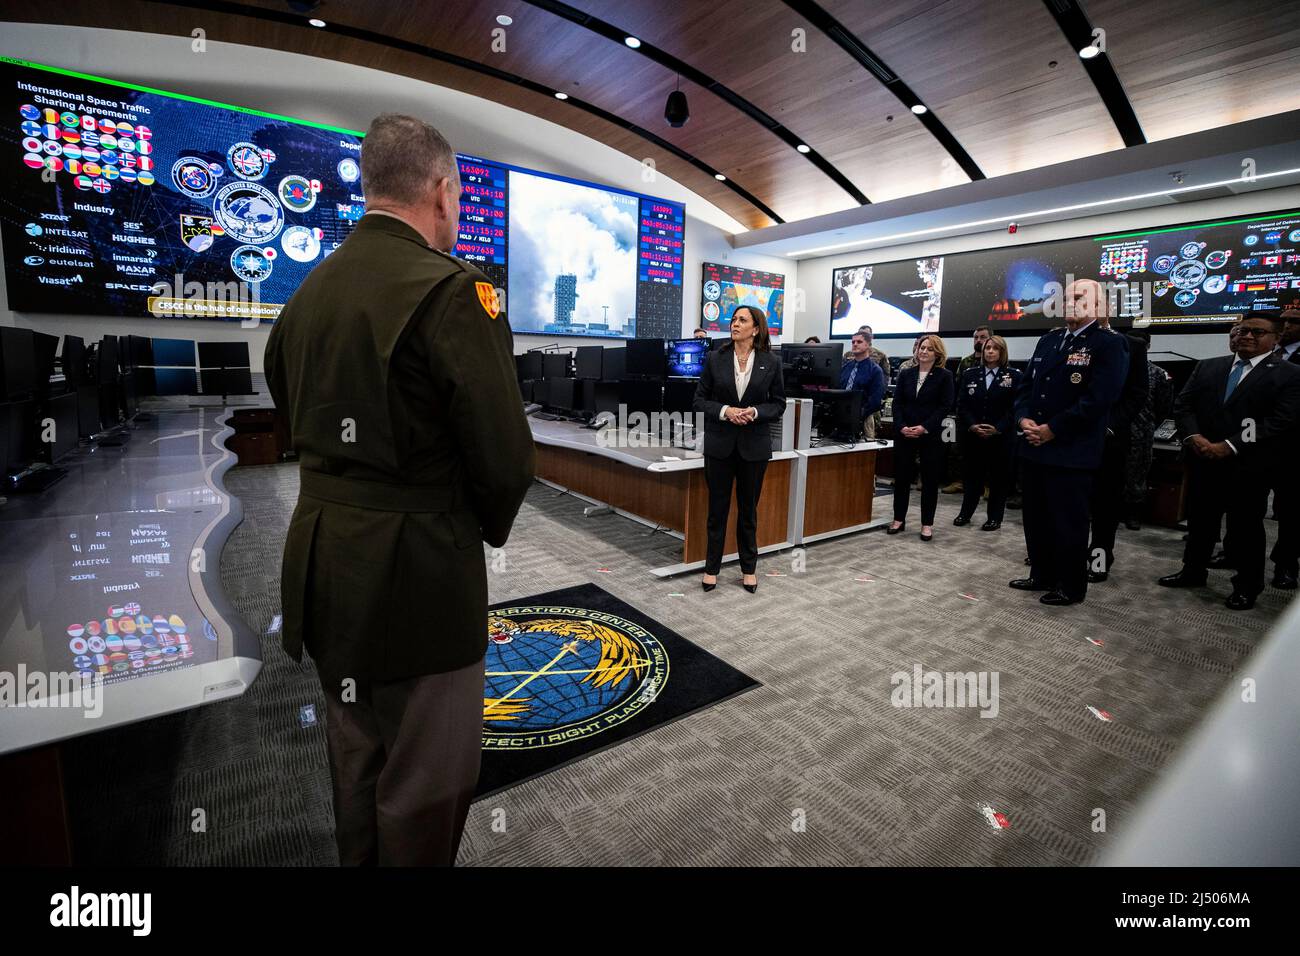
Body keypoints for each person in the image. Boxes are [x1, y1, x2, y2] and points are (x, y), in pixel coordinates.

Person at [265, 114, 535, 866]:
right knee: (424, 784)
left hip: (323, 564)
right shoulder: (454, 293)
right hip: (417, 577)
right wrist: (459, 526)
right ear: (442, 191)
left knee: (355, 758)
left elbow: (293, 418)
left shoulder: (305, 295)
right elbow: (507, 461)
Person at [1158, 312, 1300, 609]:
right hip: (1202, 459)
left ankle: (1247, 585)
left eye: (1257, 333)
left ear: (1274, 338)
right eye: (1243, 330)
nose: (1247, 336)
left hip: (1249, 466)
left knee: (1245, 528)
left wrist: (1229, 445)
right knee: (1200, 522)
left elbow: (1278, 421)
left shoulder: (1289, 374)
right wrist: (1193, 437)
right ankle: (1193, 570)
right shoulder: (1209, 367)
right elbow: (1184, 405)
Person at [1010, 279, 1127, 606]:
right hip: (1033, 445)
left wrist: (1053, 429)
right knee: (1035, 518)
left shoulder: (1107, 344)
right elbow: (1026, 389)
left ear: (1099, 306)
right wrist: (1023, 420)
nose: (1071, 303)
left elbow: (1099, 399)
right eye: (1067, 298)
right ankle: (1041, 575)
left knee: (1068, 522)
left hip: (1071, 450)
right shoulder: (1048, 340)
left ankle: (1070, 586)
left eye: (1080, 297)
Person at [694, 306, 786, 593]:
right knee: (716, 511)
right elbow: (699, 400)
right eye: (733, 319)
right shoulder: (714, 358)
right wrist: (725, 410)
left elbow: (778, 403)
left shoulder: (772, 362)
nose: (735, 324)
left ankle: (749, 568)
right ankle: (711, 569)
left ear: (756, 329)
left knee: (748, 511)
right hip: (720, 445)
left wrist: (755, 412)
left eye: (742, 320)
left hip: (754, 447)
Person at [1086, 311, 1149, 582]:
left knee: (1104, 506)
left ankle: (1099, 560)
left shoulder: (1130, 345)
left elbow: (1137, 394)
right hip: (1065, 437)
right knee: (1065, 502)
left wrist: (1109, 426)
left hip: (1108, 440)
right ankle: (1059, 551)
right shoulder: (1062, 343)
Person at [888, 334, 954, 541]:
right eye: (922, 348)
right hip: (905, 432)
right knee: (902, 479)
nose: (924, 351)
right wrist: (901, 426)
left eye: (929, 349)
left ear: (938, 353)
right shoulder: (906, 374)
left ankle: (927, 524)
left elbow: (945, 406)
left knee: (930, 480)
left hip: (930, 435)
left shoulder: (944, 376)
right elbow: (897, 403)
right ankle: (899, 519)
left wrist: (925, 427)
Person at [954, 334, 1019, 531]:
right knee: (972, 477)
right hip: (974, 436)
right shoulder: (970, 374)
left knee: (998, 479)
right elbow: (962, 404)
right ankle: (966, 513)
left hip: (1000, 437)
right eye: (987, 348)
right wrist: (973, 425)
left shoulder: (1014, 375)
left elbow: (1015, 407)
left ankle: (994, 518)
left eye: (995, 348)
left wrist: (998, 428)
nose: (990, 351)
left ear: (1002, 352)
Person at [1122, 329, 1174, 530]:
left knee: (1136, 475)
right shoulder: (1115, 367)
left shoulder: (1158, 373)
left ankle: (1133, 513)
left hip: (1141, 432)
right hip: (1113, 431)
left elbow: (1164, 406)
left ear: (1148, 347)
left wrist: (1146, 424)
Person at [1268, 307, 1300, 588]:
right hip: (1253, 444)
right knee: (1241, 507)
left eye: (1294, 321)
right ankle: (1232, 552)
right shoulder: (1262, 354)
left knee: (1290, 512)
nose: (1287, 326)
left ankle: (1286, 564)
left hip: (1292, 448)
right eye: (1284, 321)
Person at [945, 327, 992, 494]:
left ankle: (986, 485)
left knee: (987, 451)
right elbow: (958, 389)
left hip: (987, 413)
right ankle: (959, 481)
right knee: (958, 449)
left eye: (983, 337)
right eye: (976, 337)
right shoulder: (966, 362)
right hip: (965, 413)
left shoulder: (997, 362)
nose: (978, 340)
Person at [838, 331, 886, 437]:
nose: (855, 344)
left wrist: (857, 414)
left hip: (863, 418)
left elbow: (875, 400)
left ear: (868, 345)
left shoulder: (875, 370)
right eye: (853, 342)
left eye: (859, 342)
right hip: (840, 416)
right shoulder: (845, 367)